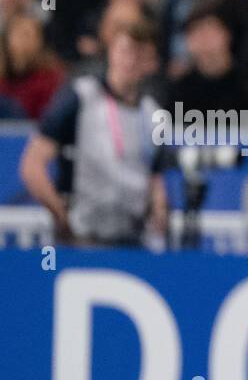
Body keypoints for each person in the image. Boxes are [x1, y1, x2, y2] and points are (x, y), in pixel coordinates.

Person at [19, 19, 168, 247]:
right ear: (111, 52)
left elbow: (154, 176)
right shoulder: (80, 97)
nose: (131, 61)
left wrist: (159, 210)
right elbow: (32, 164)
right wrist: (60, 215)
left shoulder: (152, 114)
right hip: (83, 237)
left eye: (140, 55)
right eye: (126, 51)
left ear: (151, 63)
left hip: (132, 240)